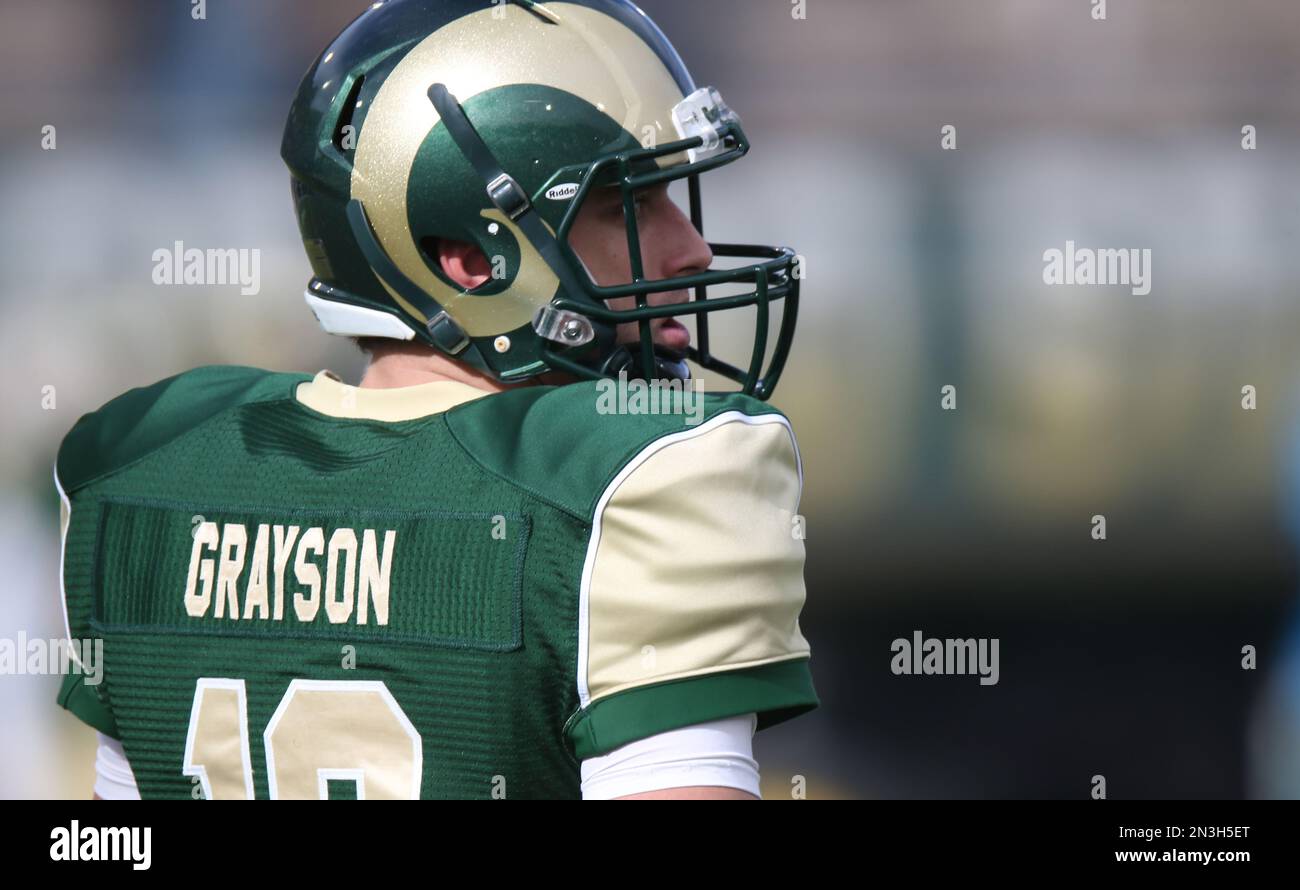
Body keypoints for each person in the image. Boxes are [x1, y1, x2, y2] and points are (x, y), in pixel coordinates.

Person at [56, 0, 816, 800]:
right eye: (623, 206)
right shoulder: (640, 482)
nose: (690, 249)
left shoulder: (149, 471)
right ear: (469, 258)